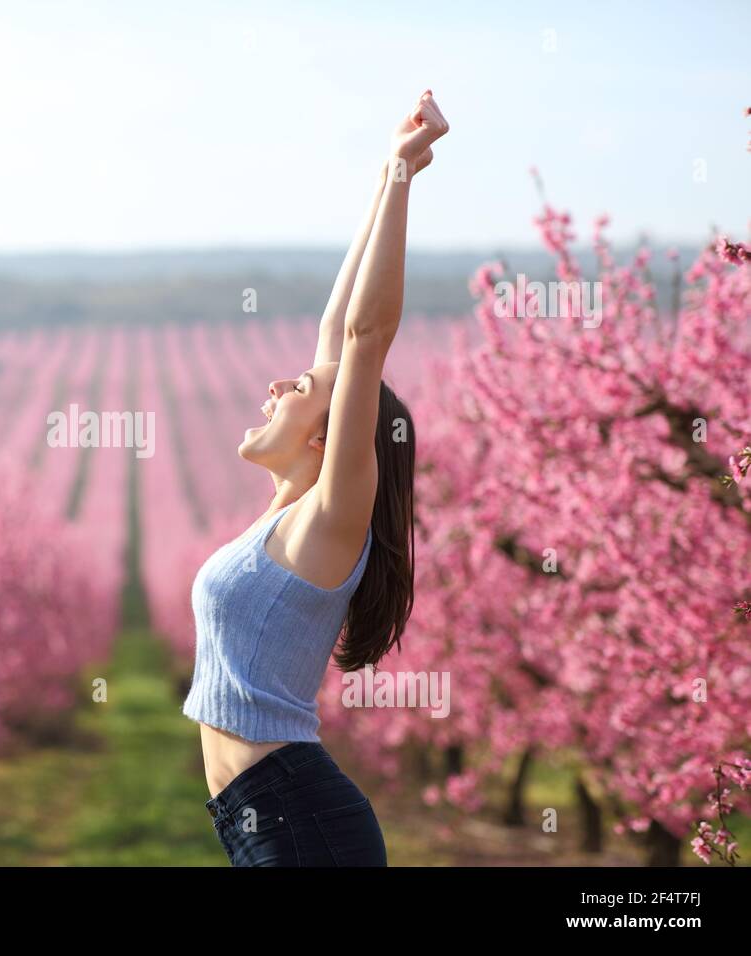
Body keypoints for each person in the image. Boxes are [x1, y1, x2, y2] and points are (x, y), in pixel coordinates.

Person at [181, 89, 449, 866]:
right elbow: (338, 334)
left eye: (295, 390)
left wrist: (403, 178)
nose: (276, 385)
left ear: (333, 436)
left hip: (300, 821)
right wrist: (384, 176)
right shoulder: (286, 520)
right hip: (258, 818)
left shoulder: (330, 524)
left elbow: (366, 337)